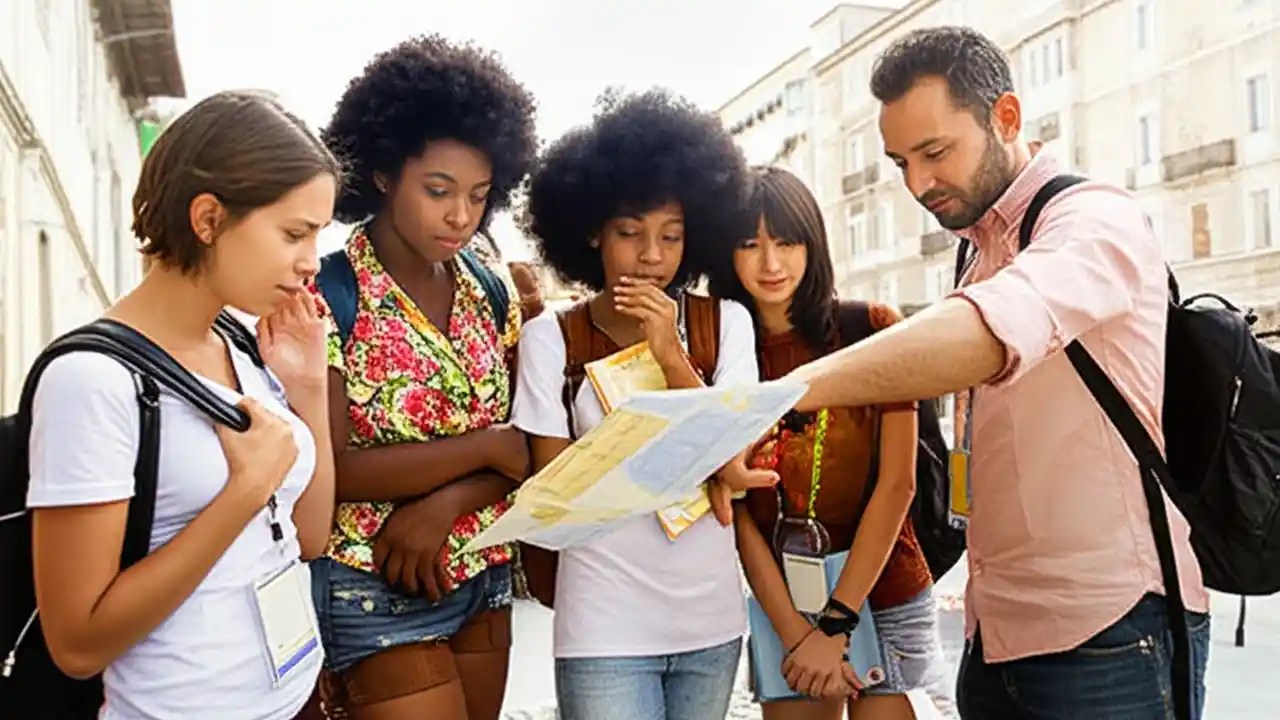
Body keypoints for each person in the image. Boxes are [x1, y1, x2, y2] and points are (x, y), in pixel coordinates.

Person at [779, 27, 1211, 719]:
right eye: (899, 163)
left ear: (1005, 118)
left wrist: (787, 392)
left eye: (935, 153)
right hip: (995, 635)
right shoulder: (977, 247)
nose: (918, 184)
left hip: (1108, 634)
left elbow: (991, 326)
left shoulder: (1093, 218)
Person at [27, 90, 339, 719]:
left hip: (293, 699)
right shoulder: (93, 381)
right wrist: (241, 494)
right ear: (208, 219)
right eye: (294, 234)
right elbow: (78, 644)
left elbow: (307, 535)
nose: (311, 263)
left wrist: (307, 390)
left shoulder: (245, 347)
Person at [511, 88, 774, 720]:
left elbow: (733, 461)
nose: (652, 256)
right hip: (603, 619)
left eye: (672, 236)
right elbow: (556, 494)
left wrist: (670, 354)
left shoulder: (725, 324)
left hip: (709, 617)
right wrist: (692, 456)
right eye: (630, 233)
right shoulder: (552, 336)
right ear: (593, 233)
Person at [306, 35, 538, 720]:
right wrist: (484, 448)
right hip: (372, 581)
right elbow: (334, 470)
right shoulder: (326, 293)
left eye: (478, 195)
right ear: (383, 172)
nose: (461, 216)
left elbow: (524, 449)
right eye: (438, 190)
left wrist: (444, 504)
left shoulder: (491, 293)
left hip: (483, 570)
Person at [709, 166, 952, 720]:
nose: (771, 263)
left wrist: (838, 621)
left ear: (812, 245)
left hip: (886, 590)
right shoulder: (722, 356)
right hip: (784, 602)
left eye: (787, 242)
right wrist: (797, 632)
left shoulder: (871, 328)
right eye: (750, 244)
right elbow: (736, 510)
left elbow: (898, 484)